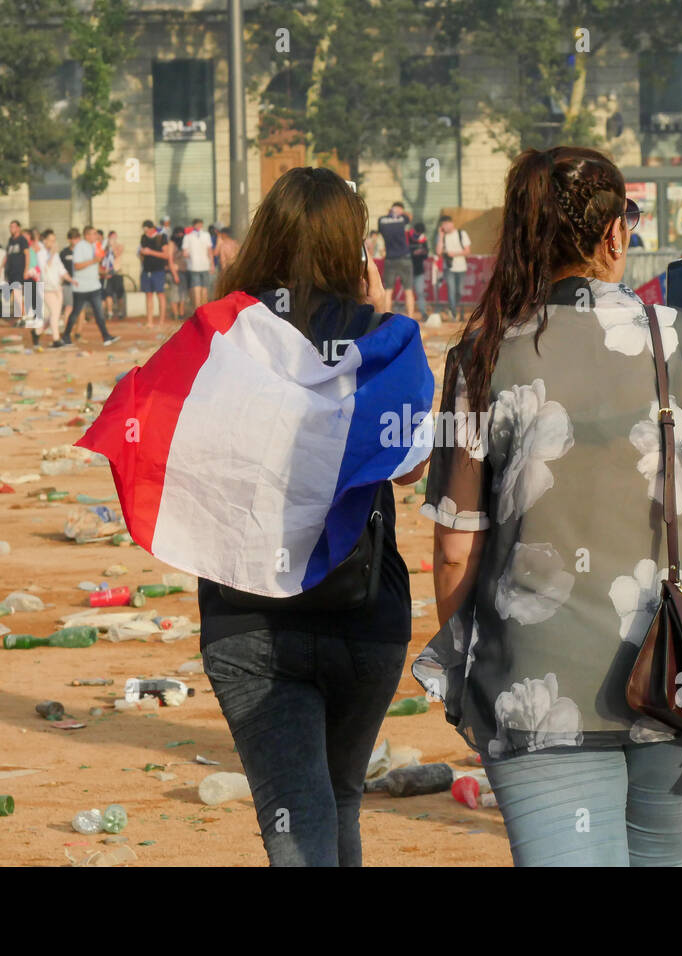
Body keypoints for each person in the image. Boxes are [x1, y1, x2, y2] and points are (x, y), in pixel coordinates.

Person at [412, 146, 682, 868]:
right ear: (614, 235)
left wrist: (470, 663)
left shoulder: (480, 354)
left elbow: (453, 545)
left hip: (538, 681)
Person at [200, 166, 428, 866]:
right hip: (364, 610)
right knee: (339, 801)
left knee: (299, 820)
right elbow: (411, 460)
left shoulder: (223, 336)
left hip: (250, 616)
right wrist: (379, 319)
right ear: (353, 249)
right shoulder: (381, 337)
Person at [55, 225, 116, 348]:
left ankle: (106, 336)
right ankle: (66, 336)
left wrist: (104, 271)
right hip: (81, 287)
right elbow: (77, 266)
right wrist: (94, 261)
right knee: (75, 313)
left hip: (94, 286)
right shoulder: (79, 247)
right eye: (93, 234)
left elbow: (95, 264)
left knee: (99, 313)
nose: (96, 236)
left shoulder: (94, 246)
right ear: (87, 235)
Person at [378, 202, 415, 317]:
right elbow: (410, 216)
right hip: (404, 258)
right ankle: (411, 318)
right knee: (408, 290)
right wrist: (401, 212)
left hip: (390, 259)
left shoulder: (381, 220)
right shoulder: (402, 218)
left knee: (388, 290)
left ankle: (386, 318)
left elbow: (381, 232)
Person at [35, 228, 69, 345]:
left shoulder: (56, 255)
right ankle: (56, 339)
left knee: (54, 315)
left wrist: (70, 279)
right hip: (46, 288)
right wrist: (53, 253)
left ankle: (37, 332)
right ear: (44, 241)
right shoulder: (41, 254)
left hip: (57, 288)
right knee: (55, 313)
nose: (53, 243)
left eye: (54, 240)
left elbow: (61, 269)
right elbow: (45, 269)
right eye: (51, 240)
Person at [435, 215, 471, 322]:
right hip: (448, 268)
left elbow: (468, 251)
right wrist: (440, 236)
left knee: (459, 291)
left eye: (446, 224)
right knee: (451, 290)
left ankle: (455, 308)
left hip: (461, 267)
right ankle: (453, 313)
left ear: (451, 223)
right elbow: (438, 252)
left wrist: (453, 254)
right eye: (442, 225)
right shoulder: (442, 236)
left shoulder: (461, 234)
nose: (444, 227)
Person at [138, 219, 171, 329]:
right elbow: (142, 252)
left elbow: (166, 255)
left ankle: (161, 321)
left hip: (158, 270)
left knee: (160, 294)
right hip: (146, 270)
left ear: (152, 228)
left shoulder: (161, 237)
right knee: (148, 295)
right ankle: (149, 321)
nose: (146, 233)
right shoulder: (143, 237)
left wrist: (150, 252)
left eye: (147, 230)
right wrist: (142, 254)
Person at [181, 218, 214, 311]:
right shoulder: (206, 235)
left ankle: (199, 309)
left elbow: (184, 253)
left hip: (196, 265)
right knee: (202, 289)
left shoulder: (188, 236)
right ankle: (203, 310)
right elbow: (209, 251)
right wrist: (212, 264)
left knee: (198, 289)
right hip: (200, 265)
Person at [3, 220, 29, 322]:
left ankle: (24, 316)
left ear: (18, 228)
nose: (11, 229)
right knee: (15, 294)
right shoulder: (10, 240)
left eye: (13, 227)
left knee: (17, 293)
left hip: (19, 271)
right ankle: (21, 316)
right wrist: (2, 267)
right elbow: (7, 255)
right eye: (10, 227)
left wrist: (26, 270)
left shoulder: (22, 240)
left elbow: (27, 254)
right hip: (11, 272)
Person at [408, 220, 430, 319]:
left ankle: (423, 313)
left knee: (420, 292)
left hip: (419, 270)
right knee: (408, 293)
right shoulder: (407, 236)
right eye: (417, 232)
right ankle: (409, 314)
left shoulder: (423, 239)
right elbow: (403, 252)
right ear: (414, 230)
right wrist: (413, 253)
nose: (419, 234)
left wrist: (421, 252)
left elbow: (426, 254)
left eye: (420, 233)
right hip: (408, 270)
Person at [103, 230, 126, 320]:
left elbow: (117, 254)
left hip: (117, 272)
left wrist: (112, 246)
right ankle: (110, 312)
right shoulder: (105, 248)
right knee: (109, 294)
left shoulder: (119, 246)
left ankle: (120, 311)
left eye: (115, 237)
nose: (114, 239)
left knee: (119, 294)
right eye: (112, 238)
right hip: (108, 273)